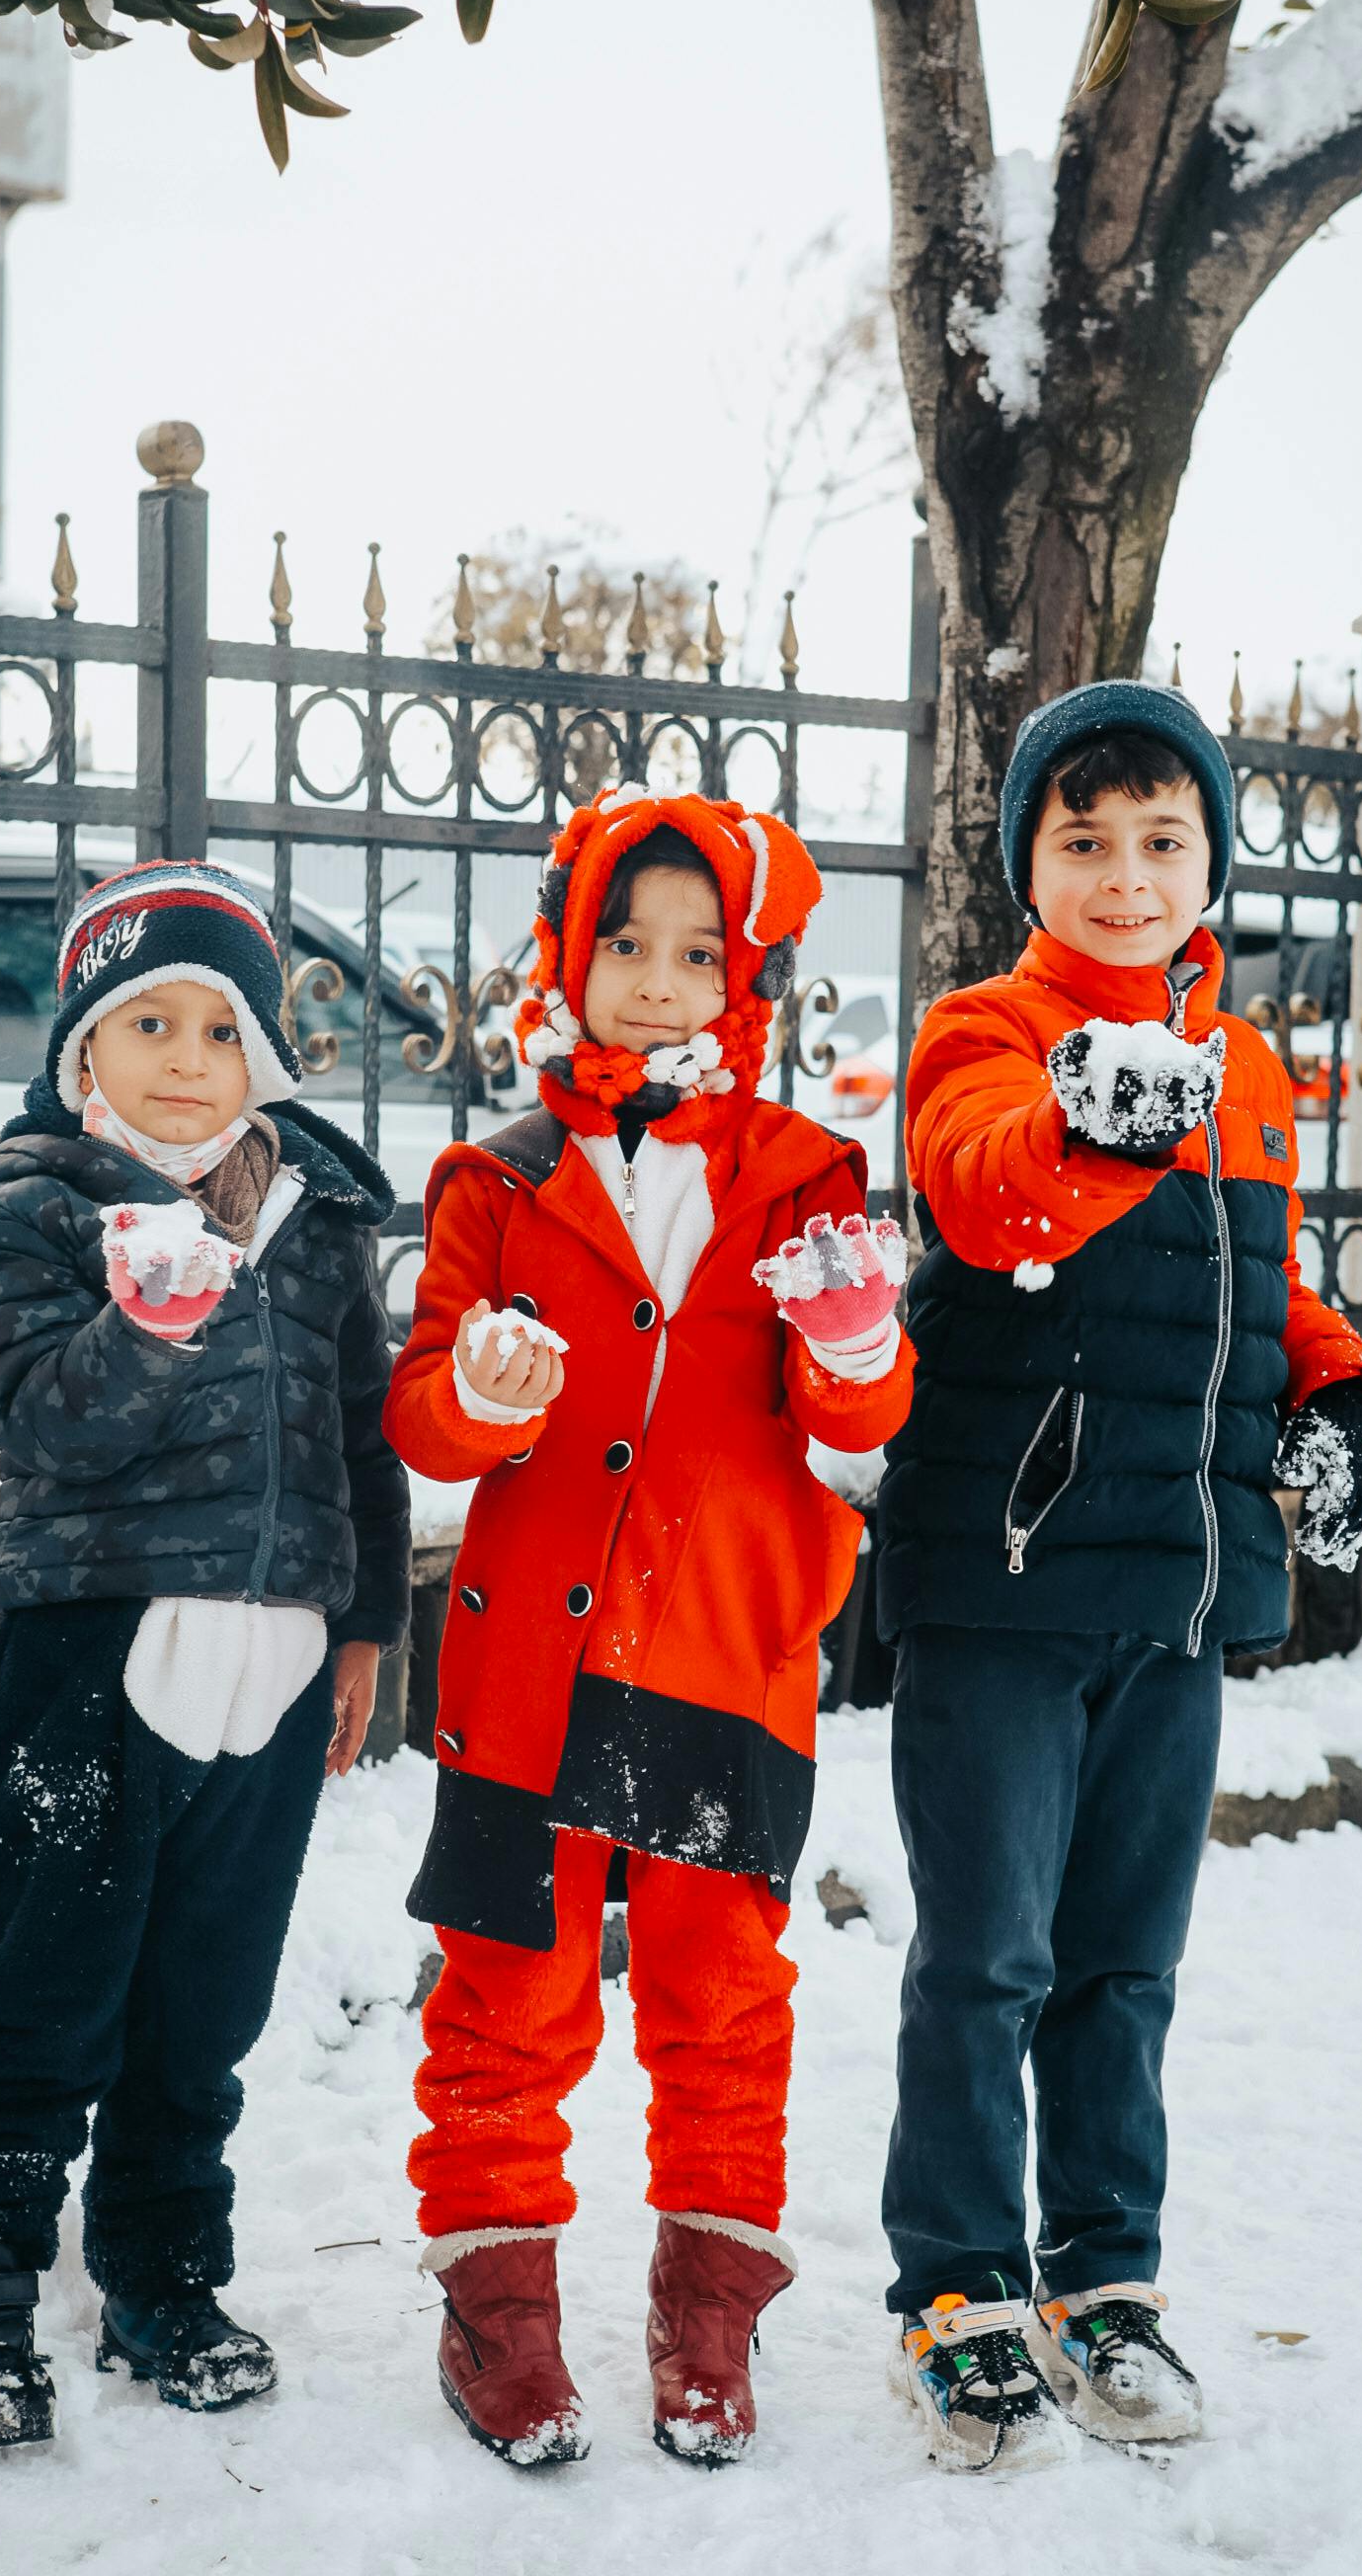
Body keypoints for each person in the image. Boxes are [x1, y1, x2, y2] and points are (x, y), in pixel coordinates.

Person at [875, 682, 1362, 2473]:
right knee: (991, 1958)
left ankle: (1109, 2280)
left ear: (1212, 864)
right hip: (1005, 1586)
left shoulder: (1245, 1067)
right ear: (1031, 862)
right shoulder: (986, 1035)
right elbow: (985, 1202)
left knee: (1127, 1963)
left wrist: (1336, 1388)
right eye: (1083, 841)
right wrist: (1095, 1124)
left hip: (1177, 1600)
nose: (1124, 875)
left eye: (1161, 841)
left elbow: (1256, 1286)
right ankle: (957, 2287)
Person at [384, 786, 915, 2470]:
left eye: (701, 953)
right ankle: (500, 2310)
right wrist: (474, 1398)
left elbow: (862, 1413)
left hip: (724, 1653)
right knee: (505, 1998)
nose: (661, 980)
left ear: (746, 983)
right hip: (527, 1668)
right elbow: (422, 1419)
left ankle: (707, 2318)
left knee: (720, 2001)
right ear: (569, 954)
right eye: (627, 943)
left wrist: (847, 1338)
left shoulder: (805, 1174)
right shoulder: (497, 1176)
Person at [0, 858, 410, 2450]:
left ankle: (163, 2270)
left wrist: (369, 1624)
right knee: (46, 1991)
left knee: (206, 2001)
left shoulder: (316, 1220)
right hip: (95, 1652)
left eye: (219, 1025)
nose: (188, 1057)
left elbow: (359, 1438)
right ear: (84, 1050)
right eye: (149, 1023)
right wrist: (145, 1320)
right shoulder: (33, 1211)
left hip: (271, 1669)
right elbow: (44, 1418)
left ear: (262, 1050)